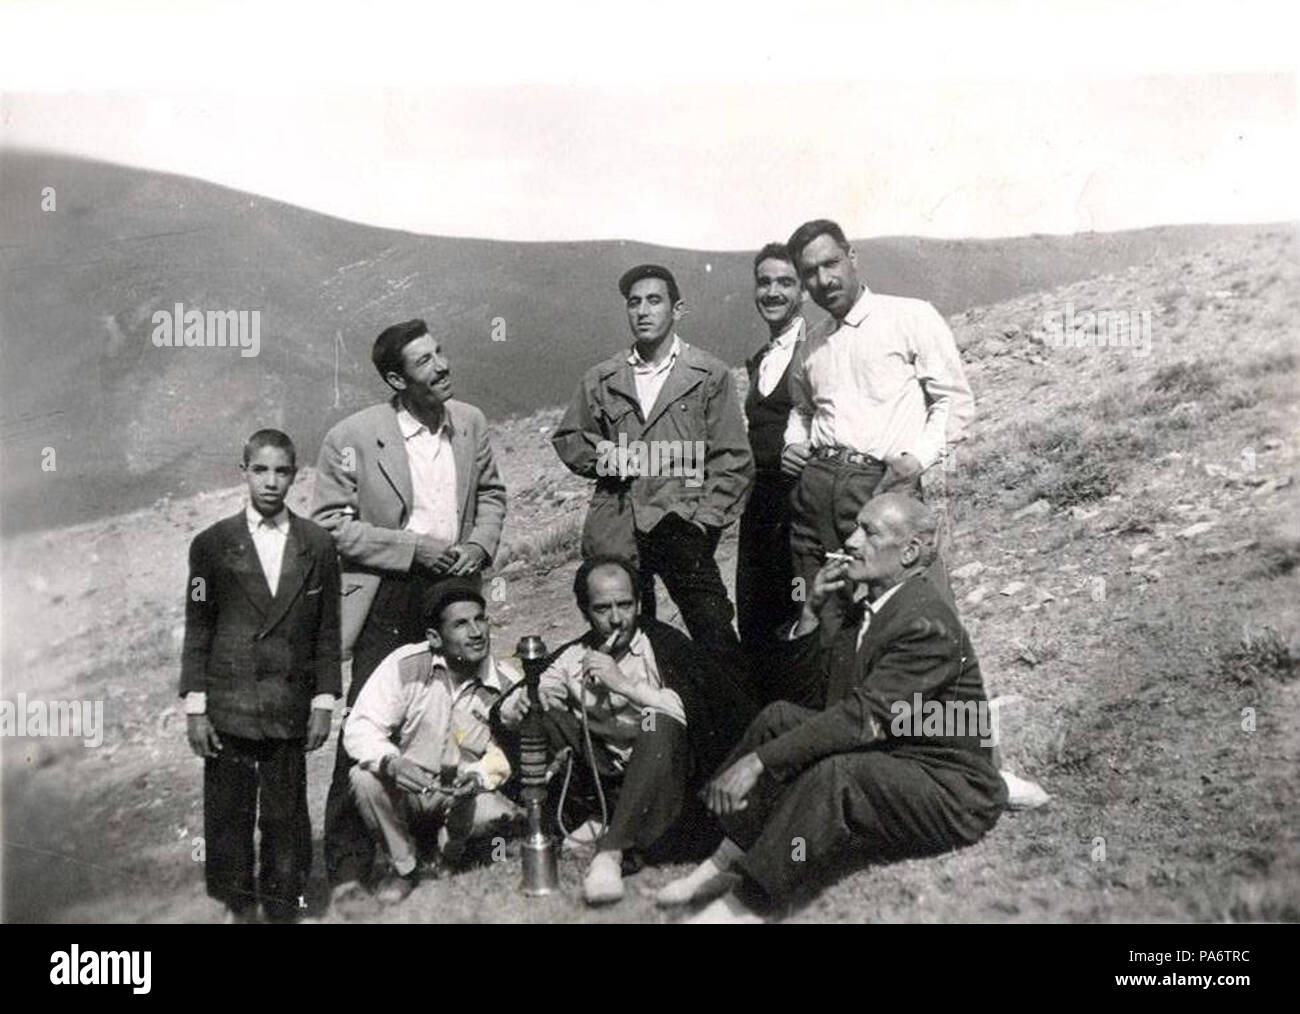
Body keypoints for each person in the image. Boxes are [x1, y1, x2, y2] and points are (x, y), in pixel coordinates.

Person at [656, 494, 1006, 922]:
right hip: (896, 757)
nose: (851, 540)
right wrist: (812, 609)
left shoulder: (924, 623)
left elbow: (861, 720)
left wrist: (760, 763)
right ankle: (723, 861)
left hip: (949, 790)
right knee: (778, 719)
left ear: (910, 552)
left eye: (869, 532)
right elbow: (819, 703)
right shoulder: (869, 610)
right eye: (855, 527)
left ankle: (746, 906)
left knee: (836, 775)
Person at [312, 317, 507, 899]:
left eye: (441, 352)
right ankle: (348, 863)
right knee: (370, 712)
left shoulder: (468, 422)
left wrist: (477, 545)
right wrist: (413, 548)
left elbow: (492, 494)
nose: (442, 365)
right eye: (425, 361)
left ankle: (453, 831)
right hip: (389, 589)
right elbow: (330, 526)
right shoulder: (352, 435)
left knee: (466, 703)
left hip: (457, 583)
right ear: (397, 378)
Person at [499, 555, 755, 906]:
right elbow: (509, 711)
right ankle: (601, 820)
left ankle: (609, 854)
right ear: (584, 611)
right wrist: (528, 703)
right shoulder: (573, 657)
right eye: (603, 608)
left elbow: (688, 713)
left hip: (669, 788)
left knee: (656, 719)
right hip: (606, 786)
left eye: (625, 605)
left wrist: (623, 685)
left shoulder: (661, 646)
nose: (617, 618)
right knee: (544, 712)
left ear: (638, 603)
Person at [552, 264, 753, 678]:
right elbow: (570, 437)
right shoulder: (603, 378)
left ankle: (736, 726)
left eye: (654, 300)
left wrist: (704, 522)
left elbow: (732, 459)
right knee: (624, 633)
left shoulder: (707, 374)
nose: (643, 311)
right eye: (634, 303)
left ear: (677, 309)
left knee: (712, 627)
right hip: (617, 522)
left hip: (682, 522)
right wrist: (605, 455)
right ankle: (643, 725)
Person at [179, 429, 341, 923]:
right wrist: (196, 707)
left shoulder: (316, 544)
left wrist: (324, 700)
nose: (271, 482)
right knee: (228, 810)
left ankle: (282, 900)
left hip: (289, 702)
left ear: (296, 474)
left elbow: (327, 630)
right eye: (261, 470)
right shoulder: (211, 545)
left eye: (282, 471)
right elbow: (199, 625)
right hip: (231, 703)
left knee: (285, 812)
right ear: (244, 471)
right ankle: (236, 903)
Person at [781, 219, 972, 637]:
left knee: (917, 608)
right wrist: (795, 442)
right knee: (827, 613)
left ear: (852, 257)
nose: (823, 279)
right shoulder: (812, 343)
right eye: (809, 273)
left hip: (881, 484)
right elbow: (803, 409)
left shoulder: (909, 316)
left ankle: (939, 699)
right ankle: (842, 700)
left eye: (831, 263)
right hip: (816, 491)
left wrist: (916, 461)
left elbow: (953, 400)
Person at [343, 580, 523, 905]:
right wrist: (391, 761)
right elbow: (361, 726)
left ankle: (448, 858)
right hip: (410, 788)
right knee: (364, 777)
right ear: (434, 637)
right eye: (461, 623)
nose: (476, 632)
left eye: (480, 619)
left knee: (493, 816)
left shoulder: (506, 684)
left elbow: (506, 756)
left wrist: (479, 778)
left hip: (464, 794)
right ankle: (404, 867)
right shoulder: (407, 663)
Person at [736, 243, 805, 693]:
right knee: (756, 622)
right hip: (758, 509)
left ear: (802, 289)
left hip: (798, 509)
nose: (773, 292)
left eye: (785, 282)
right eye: (765, 282)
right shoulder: (762, 357)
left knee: (799, 624)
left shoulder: (815, 346)